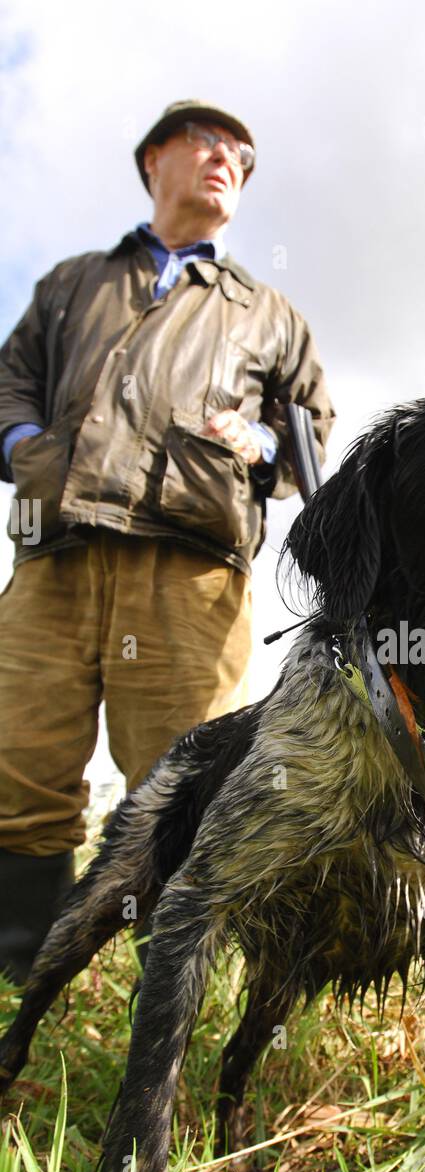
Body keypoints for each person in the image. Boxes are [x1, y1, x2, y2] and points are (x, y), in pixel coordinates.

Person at [0, 100, 335, 983]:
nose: (229, 161)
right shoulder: (73, 282)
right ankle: (24, 1002)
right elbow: (11, 382)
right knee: (19, 775)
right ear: (155, 160)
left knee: (182, 790)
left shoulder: (267, 312)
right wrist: (23, 450)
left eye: (243, 156)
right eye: (209, 144)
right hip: (55, 557)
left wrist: (258, 445)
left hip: (189, 573)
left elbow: (310, 434)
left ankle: (167, 1008)